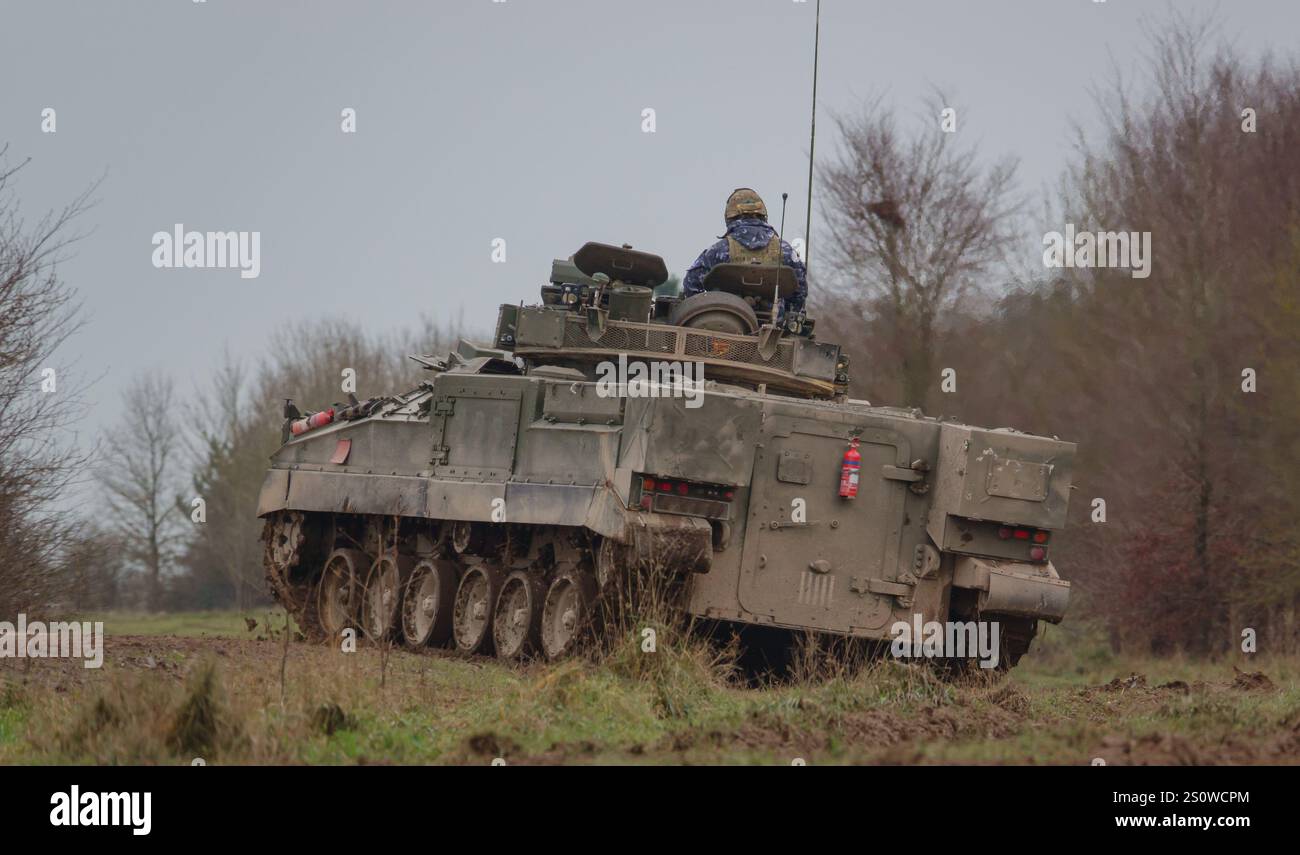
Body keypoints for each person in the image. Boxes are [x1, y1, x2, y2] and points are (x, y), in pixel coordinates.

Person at [682, 188, 808, 315]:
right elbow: (800, 289)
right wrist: (786, 315)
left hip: (727, 323)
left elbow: (691, 284)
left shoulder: (718, 251)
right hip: (774, 324)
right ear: (763, 215)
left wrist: (709, 312)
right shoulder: (785, 250)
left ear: (729, 217)